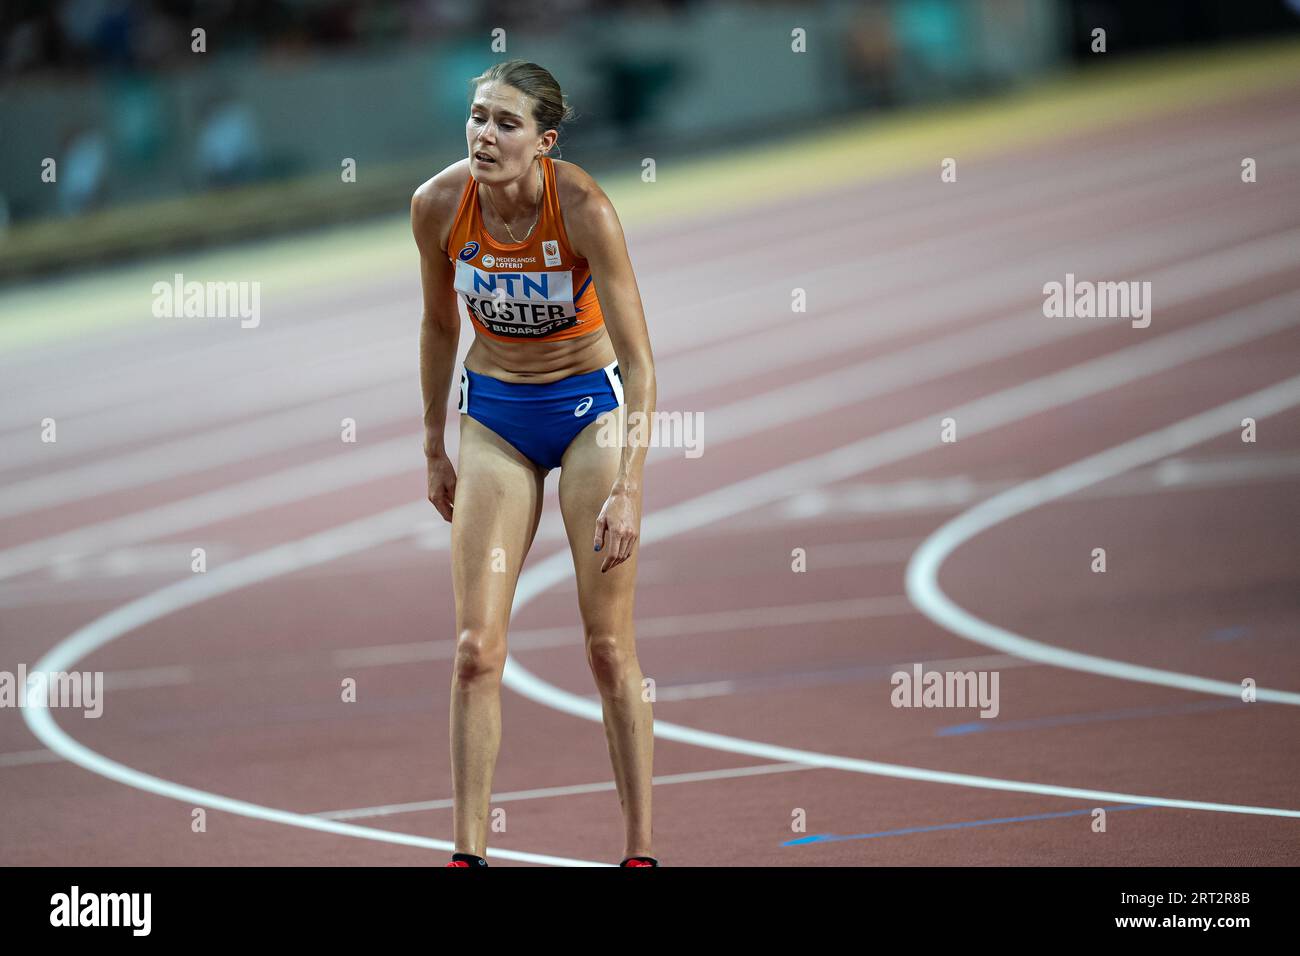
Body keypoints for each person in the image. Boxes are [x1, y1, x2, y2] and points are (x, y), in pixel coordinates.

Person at [411, 60, 659, 868]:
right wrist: (433, 446)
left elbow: (641, 363)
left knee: (607, 648)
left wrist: (628, 489)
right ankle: (468, 855)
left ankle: (640, 851)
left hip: (588, 411)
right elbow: (439, 326)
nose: (485, 135)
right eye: (478, 117)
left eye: (506, 124)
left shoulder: (582, 207)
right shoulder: (439, 206)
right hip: (496, 419)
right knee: (475, 650)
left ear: (544, 142)